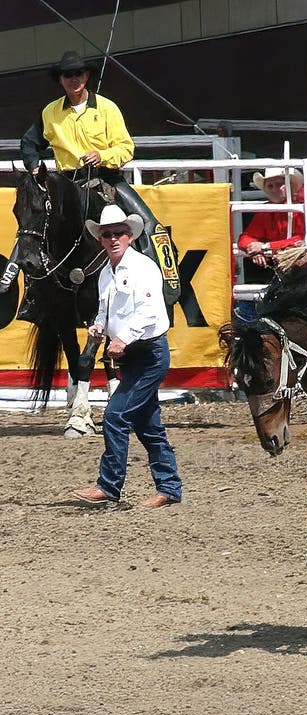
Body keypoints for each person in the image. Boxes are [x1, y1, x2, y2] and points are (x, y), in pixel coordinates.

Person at [11, 50, 179, 302]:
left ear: (87, 76)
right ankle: (33, 296)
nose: (73, 79)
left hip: (107, 180)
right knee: (31, 229)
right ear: (60, 79)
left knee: (148, 223)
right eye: (68, 75)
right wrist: (34, 167)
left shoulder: (107, 108)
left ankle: (165, 286)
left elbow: (126, 147)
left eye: (78, 73)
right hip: (67, 183)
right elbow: (28, 143)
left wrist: (102, 155)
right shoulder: (50, 112)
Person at [74, 205, 183, 507]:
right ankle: (169, 488)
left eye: (118, 233)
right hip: (136, 356)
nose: (113, 238)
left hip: (147, 354)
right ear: (101, 239)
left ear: (130, 236)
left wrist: (122, 338)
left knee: (115, 415)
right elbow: (104, 310)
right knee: (149, 426)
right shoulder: (106, 275)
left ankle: (109, 485)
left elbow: (149, 313)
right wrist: (100, 326)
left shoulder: (143, 267)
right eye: (107, 234)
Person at [238, 167, 306, 275]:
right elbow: (245, 238)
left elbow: (300, 241)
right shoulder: (265, 211)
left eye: (279, 185)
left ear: (289, 186)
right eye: (270, 186)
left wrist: (264, 247)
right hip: (275, 265)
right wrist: (254, 250)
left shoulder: (300, 209)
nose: (274, 189)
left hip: (300, 265)